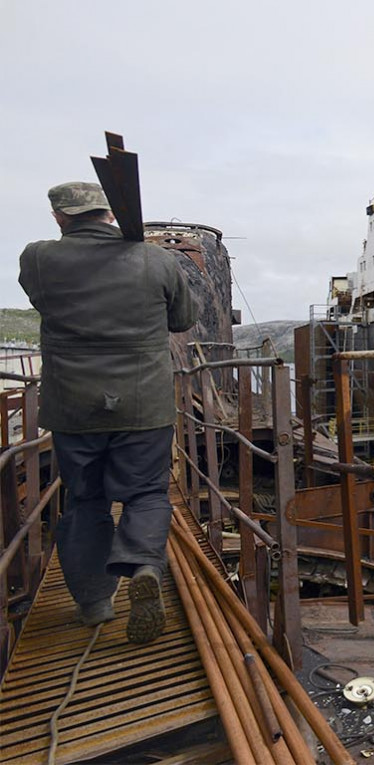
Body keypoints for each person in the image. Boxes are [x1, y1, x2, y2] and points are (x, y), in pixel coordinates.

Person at [18, 181, 198, 643]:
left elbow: (42, 300)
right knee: (146, 493)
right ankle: (143, 567)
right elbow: (182, 319)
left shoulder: (37, 258)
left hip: (73, 407)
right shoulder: (156, 260)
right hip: (143, 404)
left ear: (60, 218)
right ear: (110, 215)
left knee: (85, 501)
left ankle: (95, 602)